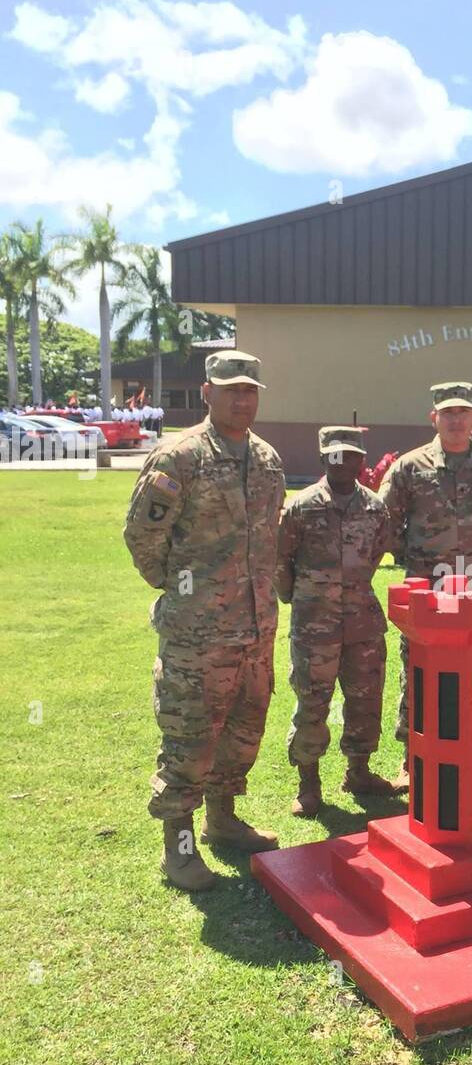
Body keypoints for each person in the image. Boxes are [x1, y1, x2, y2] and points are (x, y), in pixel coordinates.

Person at [123, 349, 285, 891]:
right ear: (207, 393)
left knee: (242, 735)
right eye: (231, 389)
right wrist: (184, 592)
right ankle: (180, 849)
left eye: (250, 390)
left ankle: (223, 822)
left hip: (256, 631)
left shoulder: (266, 460)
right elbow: (143, 538)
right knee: (190, 740)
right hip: (198, 637)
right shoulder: (180, 456)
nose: (242, 398)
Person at [379, 381, 472, 787]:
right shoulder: (409, 466)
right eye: (448, 412)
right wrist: (411, 557)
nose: (456, 420)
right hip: (427, 589)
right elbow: (386, 518)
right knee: (419, 667)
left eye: (463, 413)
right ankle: (412, 756)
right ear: (434, 417)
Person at [276, 426, 395, 814]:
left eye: (351, 456)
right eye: (335, 455)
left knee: (365, 700)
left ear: (363, 460)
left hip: (363, 623)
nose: (343, 462)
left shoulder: (376, 508)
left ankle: (358, 772)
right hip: (315, 625)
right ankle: (308, 784)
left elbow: (376, 554)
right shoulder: (302, 506)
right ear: (323, 458)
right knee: (313, 702)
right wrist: (304, 598)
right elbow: (282, 561)